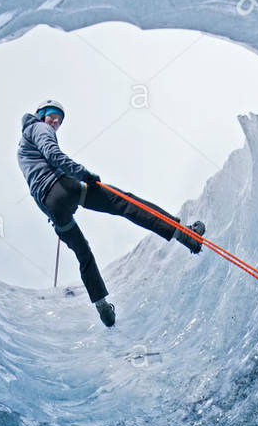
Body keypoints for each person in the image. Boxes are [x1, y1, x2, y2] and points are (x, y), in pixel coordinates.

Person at [16, 98, 206, 327]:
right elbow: (53, 153)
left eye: (59, 119)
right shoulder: (39, 127)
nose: (56, 122)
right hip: (65, 185)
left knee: (83, 254)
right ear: (41, 114)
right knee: (125, 202)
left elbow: (37, 182)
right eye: (53, 115)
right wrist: (83, 174)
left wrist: (54, 213)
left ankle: (103, 308)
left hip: (52, 207)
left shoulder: (22, 151)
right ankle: (184, 234)